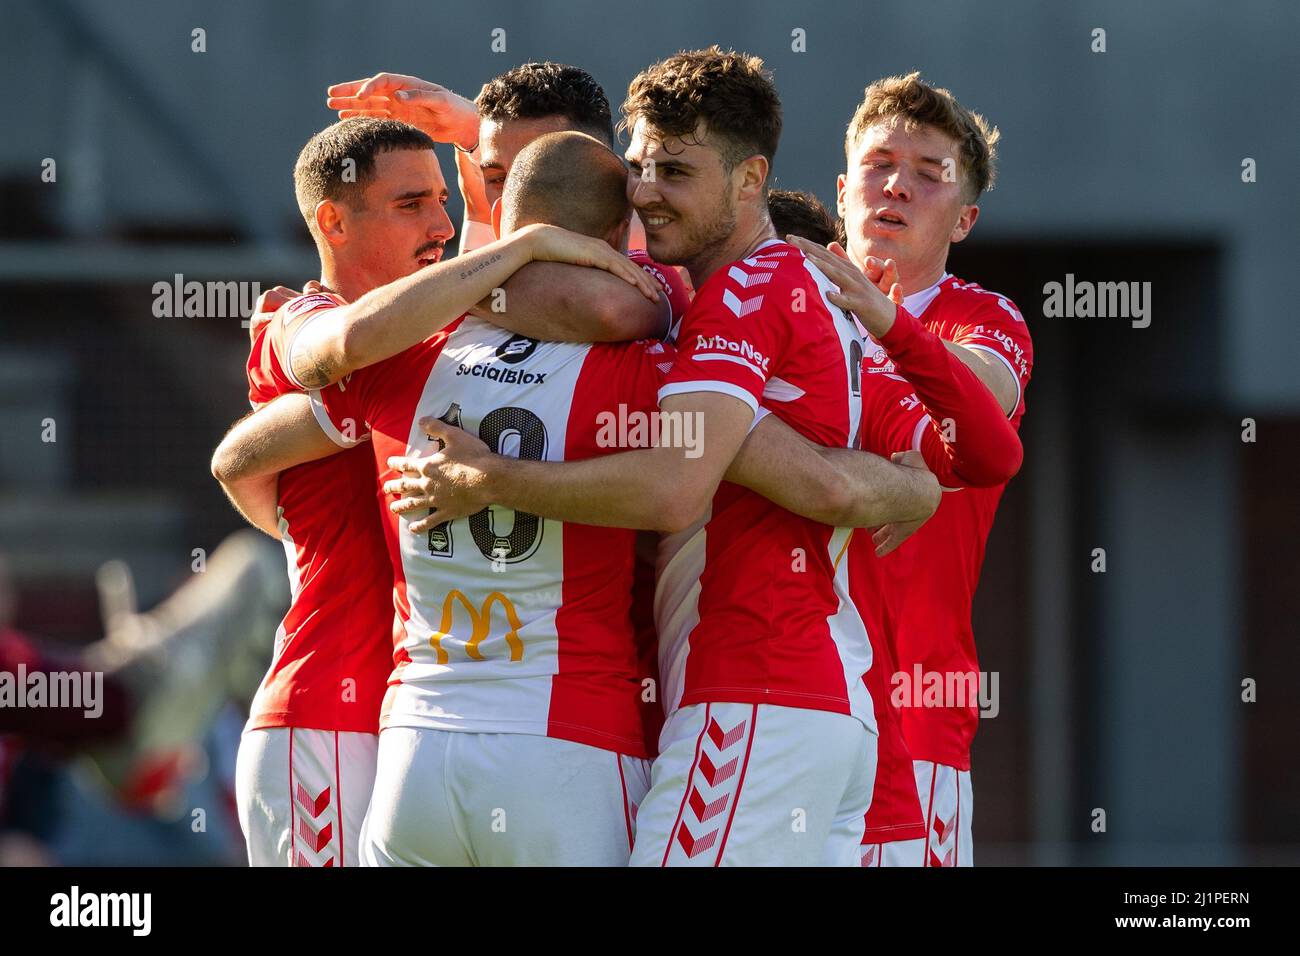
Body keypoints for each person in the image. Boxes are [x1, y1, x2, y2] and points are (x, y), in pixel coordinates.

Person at [400, 48, 1020, 866]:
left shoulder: (740, 296)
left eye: (677, 172)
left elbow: (672, 490)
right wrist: (861, 484)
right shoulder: (810, 303)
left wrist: (490, 479)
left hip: (757, 688)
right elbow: (948, 470)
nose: (647, 192)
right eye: (641, 167)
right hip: (826, 702)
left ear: (749, 179)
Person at [226, 116, 662, 867]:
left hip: (411, 732)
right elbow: (247, 448)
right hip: (330, 707)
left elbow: (240, 462)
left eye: (444, 201)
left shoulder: (413, 363)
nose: (441, 223)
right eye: (409, 205)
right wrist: (521, 245)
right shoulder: (305, 323)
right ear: (332, 220)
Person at [803, 72, 1035, 867]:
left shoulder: (982, 317)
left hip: (913, 717)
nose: (897, 184)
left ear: (963, 218)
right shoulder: (783, 305)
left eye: (929, 174)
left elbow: (981, 398)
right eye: (878, 163)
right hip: (781, 705)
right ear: (842, 188)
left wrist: (888, 326)